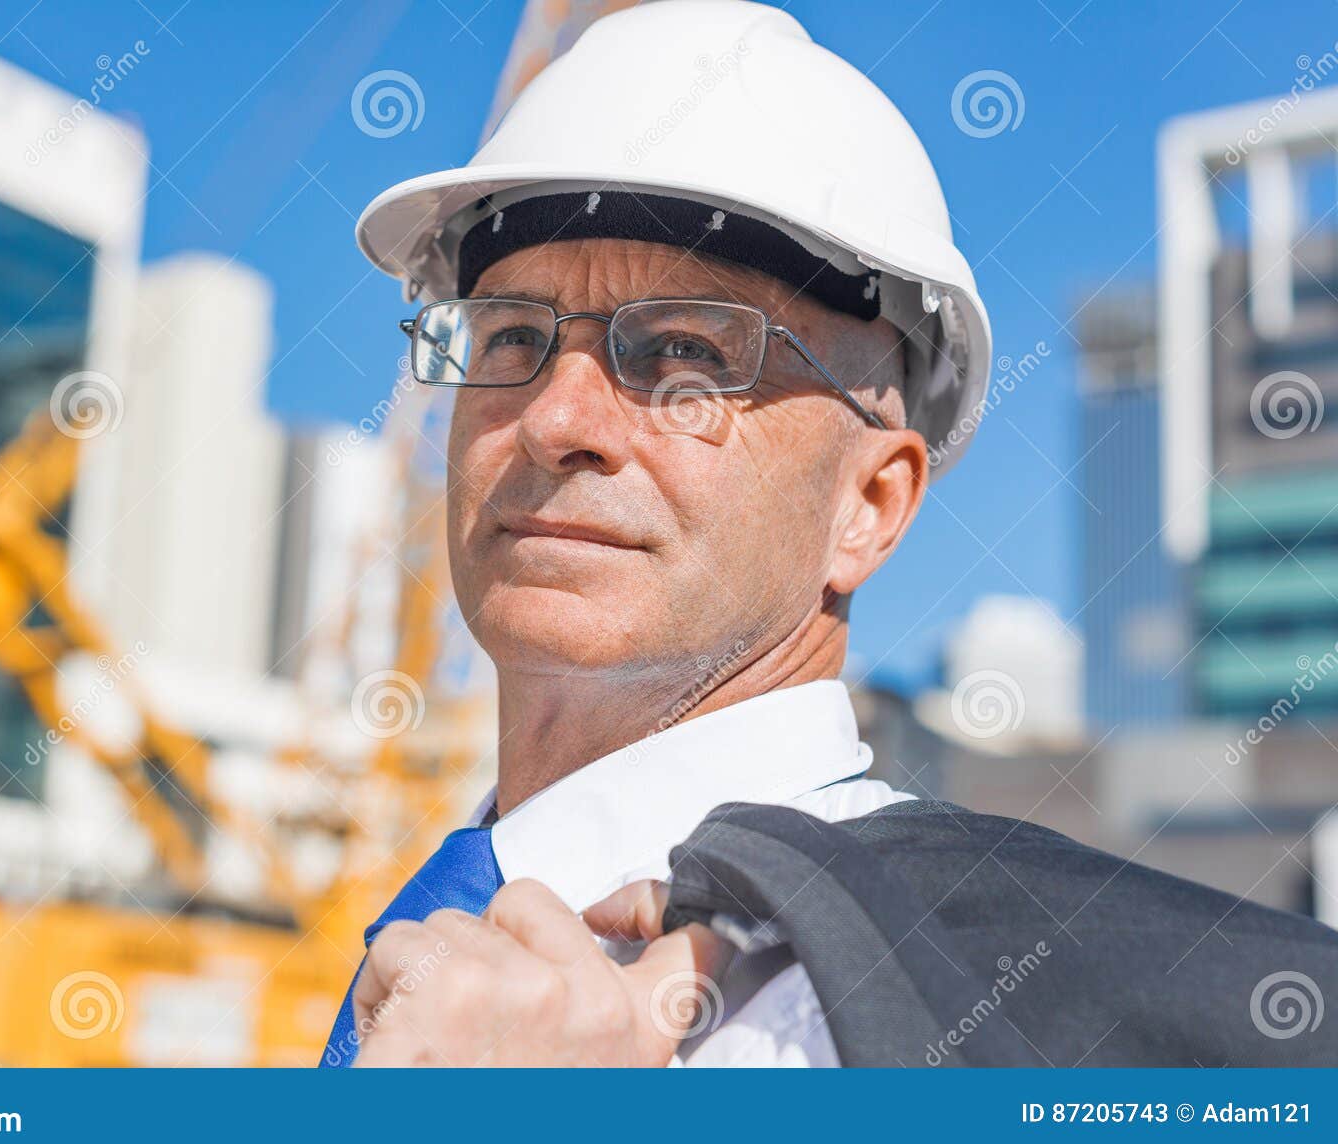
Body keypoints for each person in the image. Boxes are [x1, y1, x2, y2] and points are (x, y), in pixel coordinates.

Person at [319, 0, 1338, 1068]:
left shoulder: (1002, 1007)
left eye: (685, 357)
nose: (557, 420)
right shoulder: (430, 928)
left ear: (871, 507)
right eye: (513, 336)